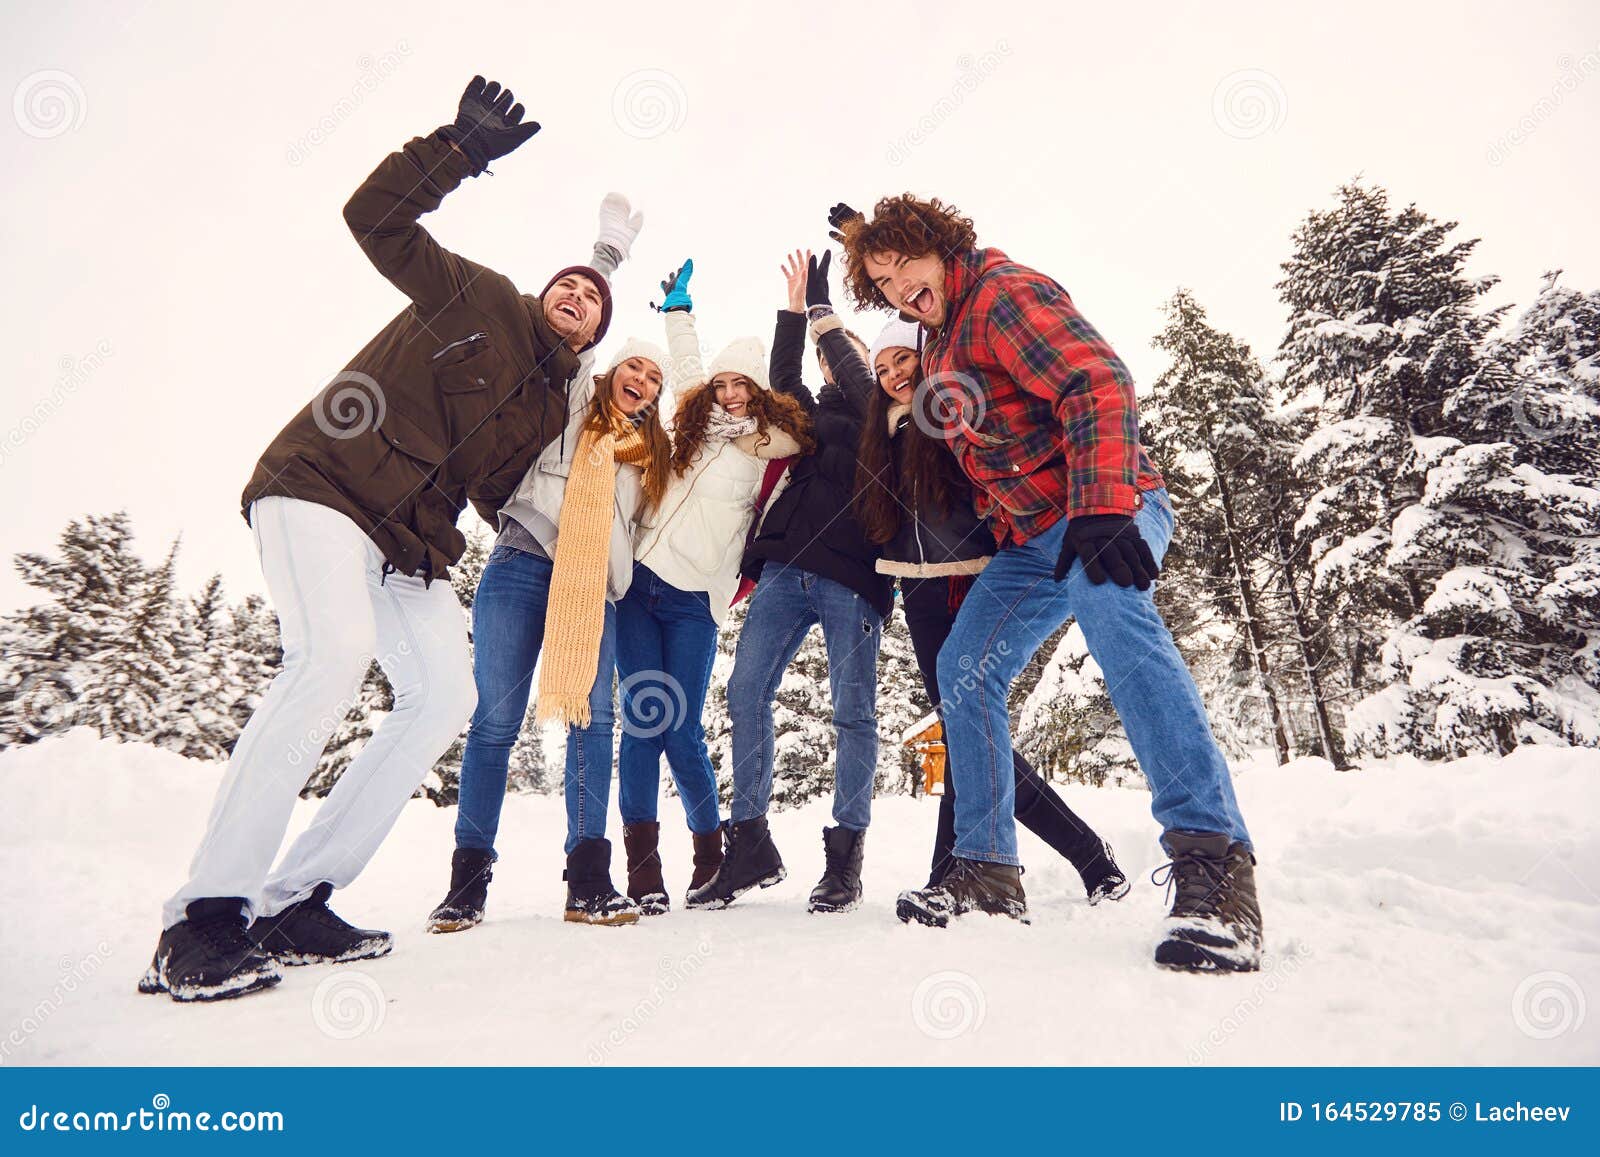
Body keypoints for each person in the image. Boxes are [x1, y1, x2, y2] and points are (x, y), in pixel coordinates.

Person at [139, 77, 624, 1001]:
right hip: (322, 487)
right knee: (331, 657)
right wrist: (458, 150)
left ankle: (296, 898)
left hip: (408, 548)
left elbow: (503, 496)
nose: (578, 294)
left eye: (594, 298)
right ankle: (202, 915)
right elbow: (376, 217)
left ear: (595, 330)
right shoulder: (474, 294)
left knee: (446, 696)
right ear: (541, 293)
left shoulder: (547, 406)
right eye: (568, 282)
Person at [838, 196, 1263, 972]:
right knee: (964, 667)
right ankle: (986, 870)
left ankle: (1215, 860)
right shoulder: (936, 336)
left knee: (1110, 608)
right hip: (1031, 539)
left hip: (1106, 506)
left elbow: (1095, 381)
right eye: (883, 281)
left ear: (941, 245)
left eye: (905, 265)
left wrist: (1099, 507)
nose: (899, 287)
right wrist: (857, 241)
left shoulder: (999, 294)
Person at [851, 316, 1129, 903]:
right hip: (920, 589)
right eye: (882, 369)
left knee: (965, 726)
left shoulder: (947, 409)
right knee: (964, 730)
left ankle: (954, 875)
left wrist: (820, 310)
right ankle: (1080, 855)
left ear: (924, 356)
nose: (893, 375)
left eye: (902, 359)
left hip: (977, 575)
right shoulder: (881, 432)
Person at [426, 327, 673, 930]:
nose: (641, 382)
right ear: (612, 371)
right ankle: (467, 883)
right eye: (634, 368)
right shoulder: (572, 408)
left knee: (594, 721)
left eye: (653, 379)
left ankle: (587, 882)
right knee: (495, 722)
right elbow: (571, 346)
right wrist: (601, 277)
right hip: (522, 562)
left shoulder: (649, 457)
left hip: (592, 588)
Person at [611, 259, 815, 914]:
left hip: (695, 602)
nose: (727, 394)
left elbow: (795, 420)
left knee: (683, 732)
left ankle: (710, 857)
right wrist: (678, 310)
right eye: (722, 383)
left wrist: (796, 315)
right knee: (642, 724)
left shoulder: (770, 447)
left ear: (758, 390)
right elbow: (687, 365)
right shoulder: (693, 424)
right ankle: (643, 870)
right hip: (638, 583)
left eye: (739, 384)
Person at [689, 251, 887, 914]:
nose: (835, 364)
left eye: (845, 354)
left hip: (852, 576)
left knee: (853, 712)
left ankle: (845, 856)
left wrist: (827, 317)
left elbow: (861, 382)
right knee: (746, 692)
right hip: (785, 568)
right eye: (829, 356)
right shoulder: (809, 417)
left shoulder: (886, 417)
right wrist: (793, 310)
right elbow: (782, 377)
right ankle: (750, 842)